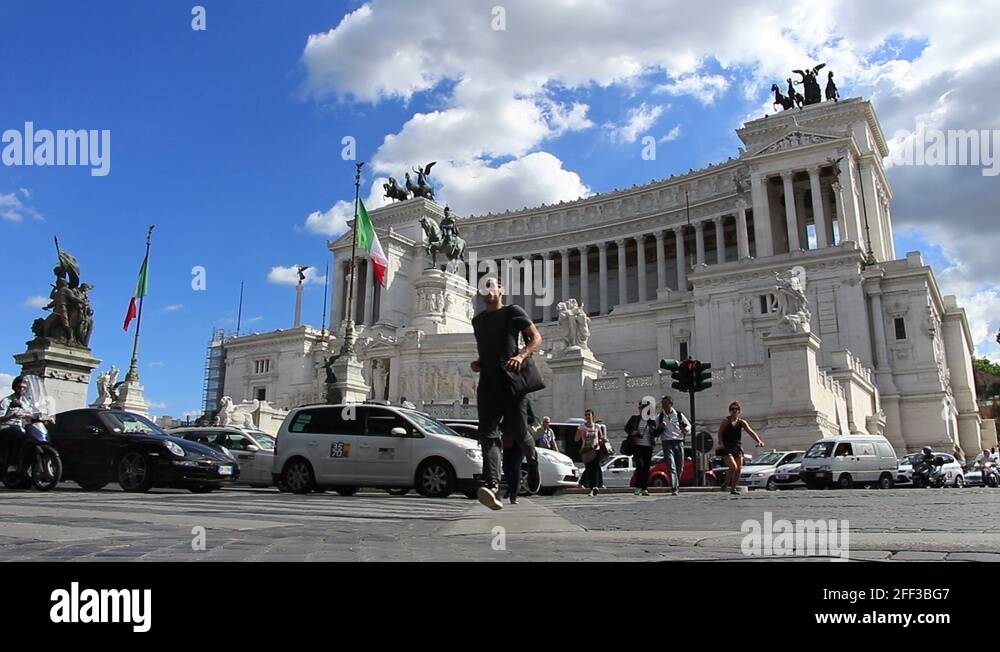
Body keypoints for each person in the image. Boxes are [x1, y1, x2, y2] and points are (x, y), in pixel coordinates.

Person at [471, 275, 543, 511]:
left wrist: (522, 355)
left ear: (501, 289)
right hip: (488, 384)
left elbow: (536, 338)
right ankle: (492, 485)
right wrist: (479, 363)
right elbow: (487, 350)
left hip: (511, 382)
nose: (487, 288)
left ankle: (533, 462)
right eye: (483, 285)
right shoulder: (477, 321)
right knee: (488, 435)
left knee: (521, 433)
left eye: (491, 284)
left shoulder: (513, 311)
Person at [717, 400, 764, 495]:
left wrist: (759, 441)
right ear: (729, 410)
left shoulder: (742, 422)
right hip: (726, 447)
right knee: (733, 466)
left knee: (738, 468)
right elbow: (720, 433)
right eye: (732, 409)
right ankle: (726, 483)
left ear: (739, 411)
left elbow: (751, 432)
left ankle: (733, 489)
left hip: (737, 447)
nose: (734, 411)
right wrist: (721, 443)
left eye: (736, 409)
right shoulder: (726, 421)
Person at [655, 396, 690, 496]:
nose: (665, 406)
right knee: (671, 466)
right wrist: (660, 428)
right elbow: (655, 431)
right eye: (663, 404)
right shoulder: (660, 417)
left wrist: (685, 429)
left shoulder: (679, 415)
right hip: (666, 442)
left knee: (680, 466)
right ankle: (674, 487)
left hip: (679, 441)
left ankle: (676, 484)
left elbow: (688, 426)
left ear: (671, 404)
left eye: (666, 403)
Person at [0, 376, 32, 473]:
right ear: (14, 387)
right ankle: (11, 464)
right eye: (19, 387)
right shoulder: (7, 401)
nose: (21, 389)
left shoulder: (27, 402)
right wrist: (12, 416)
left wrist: (46, 416)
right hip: (6, 427)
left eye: (24, 387)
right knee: (18, 434)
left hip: (21, 427)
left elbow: (33, 412)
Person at [624, 399, 656, 496]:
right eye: (640, 408)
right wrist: (633, 432)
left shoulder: (652, 421)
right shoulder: (634, 418)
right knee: (639, 466)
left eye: (643, 408)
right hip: (637, 446)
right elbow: (627, 428)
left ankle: (644, 488)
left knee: (646, 467)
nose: (641, 409)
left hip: (648, 446)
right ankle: (638, 486)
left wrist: (662, 428)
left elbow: (655, 433)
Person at [575, 409, 605, 496]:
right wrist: (580, 433)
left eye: (589, 415)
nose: (587, 417)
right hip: (586, 451)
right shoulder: (582, 427)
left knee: (595, 468)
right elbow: (576, 439)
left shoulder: (597, 426)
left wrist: (602, 439)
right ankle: (593, 487)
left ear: (593, 416)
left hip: (596, 450)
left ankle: (594, 487)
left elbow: (600, 437)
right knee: (589, 469)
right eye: (586, 415)